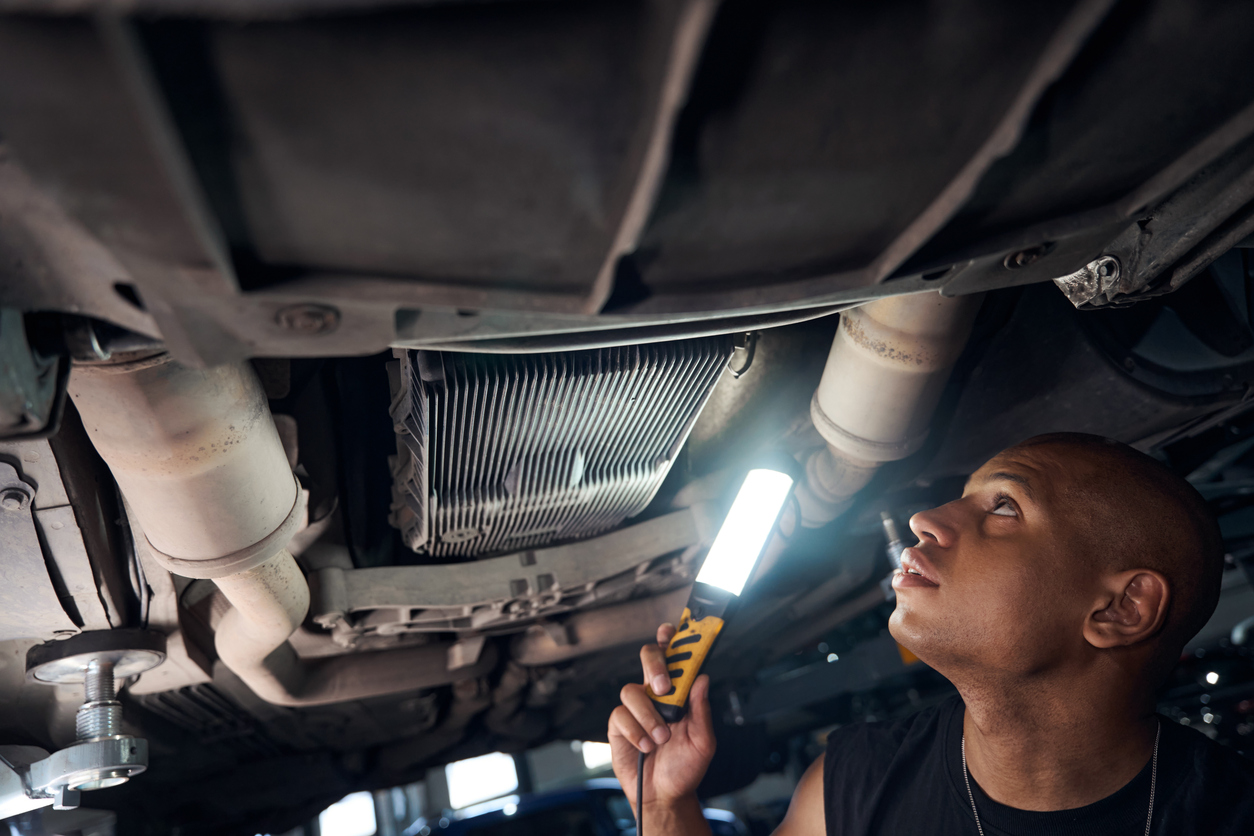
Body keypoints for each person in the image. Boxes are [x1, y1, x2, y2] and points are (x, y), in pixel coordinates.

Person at [608, 433, 1254, 834]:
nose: (925, 519)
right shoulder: (855, 781)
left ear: (1120, 608)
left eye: (1004, 506)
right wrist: (664, 802)